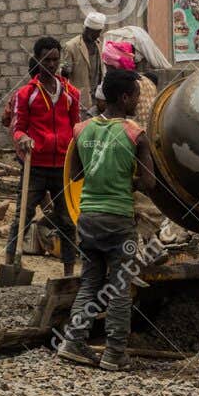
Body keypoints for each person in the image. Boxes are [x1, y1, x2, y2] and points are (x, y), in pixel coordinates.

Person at [56, 68, 155, 371]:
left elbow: (75, 175)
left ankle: (72, 342)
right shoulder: (135, 134)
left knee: (91, 280)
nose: (138, 101)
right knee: (120, 286)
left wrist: (99, 174)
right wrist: (127, 180)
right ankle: (114, 352)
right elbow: (149, 183)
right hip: (118, 220)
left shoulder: (81, 130)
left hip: (87, 219)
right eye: (136, 96)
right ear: (125, 97)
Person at [10, 36, 81, 278]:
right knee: (23, 216)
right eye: (46, 60)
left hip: (63, 167)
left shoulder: (71, 93)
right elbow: (18, 127)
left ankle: (69, 271)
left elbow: (76, 127)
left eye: (55, 59)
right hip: (36, 166)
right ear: (37, 60)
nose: (51, 65)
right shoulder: (26, 94)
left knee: (67, 220)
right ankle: (12, 263)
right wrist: (23, 139)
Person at [63, 12, 106, 115]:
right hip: (81, 100)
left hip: (98, 99)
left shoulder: (99, 44)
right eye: (95, 32)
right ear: (87, 29)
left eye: (99, 32)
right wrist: (65, 70)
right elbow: (64, 75)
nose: (97, 35)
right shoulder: (71, 46)